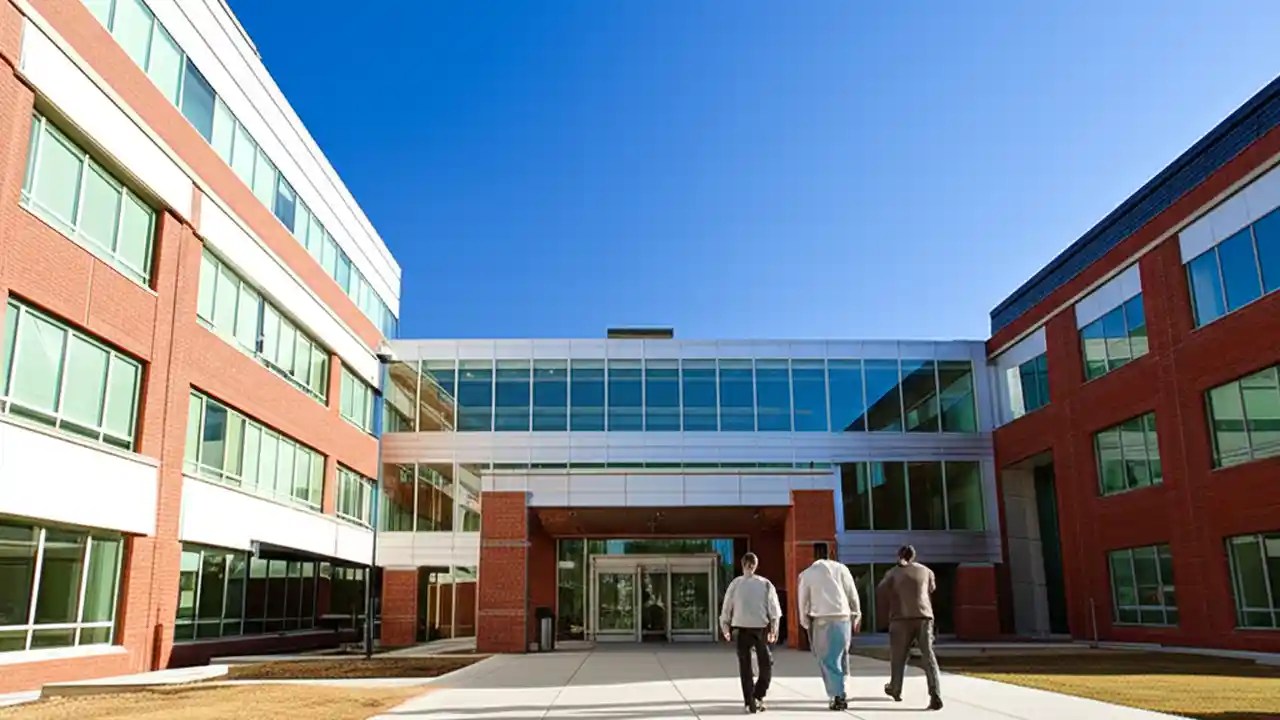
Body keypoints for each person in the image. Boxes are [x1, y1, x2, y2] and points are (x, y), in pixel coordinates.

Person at [876, 545, 943, 711]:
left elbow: (881, 590)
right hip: (924, 617)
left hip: (900, 618)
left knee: (898, 656)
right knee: (928, 656)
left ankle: (895, 688)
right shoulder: (927, 571)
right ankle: (935, 693)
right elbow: (931, 589)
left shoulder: (893, 572)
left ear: (899, 555)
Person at [797, 542, 861, 711]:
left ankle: (837, 694)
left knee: (827, 659)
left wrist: (804, 621)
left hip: (822, 619)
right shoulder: (842, 569)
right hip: (843, 618)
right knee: (841, 656)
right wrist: (856, 613)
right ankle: (843, 688)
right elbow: (852, 593)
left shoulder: (807, 574)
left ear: (813, 555)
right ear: (830, 553)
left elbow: (803, 599)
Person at [719, 552, 782, 714]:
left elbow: (773, 610)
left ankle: (755, 696)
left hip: (755, 628)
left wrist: (774, 629)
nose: (750, 567)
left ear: (754, 565)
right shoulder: (738, 584)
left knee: (761, 664)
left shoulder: (763, 584)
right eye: (748, 564)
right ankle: (752, 699)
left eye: (751, 564)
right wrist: (725, 626)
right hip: (747, 628)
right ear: (744, 565)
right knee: (752, 665)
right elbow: (727, 607)